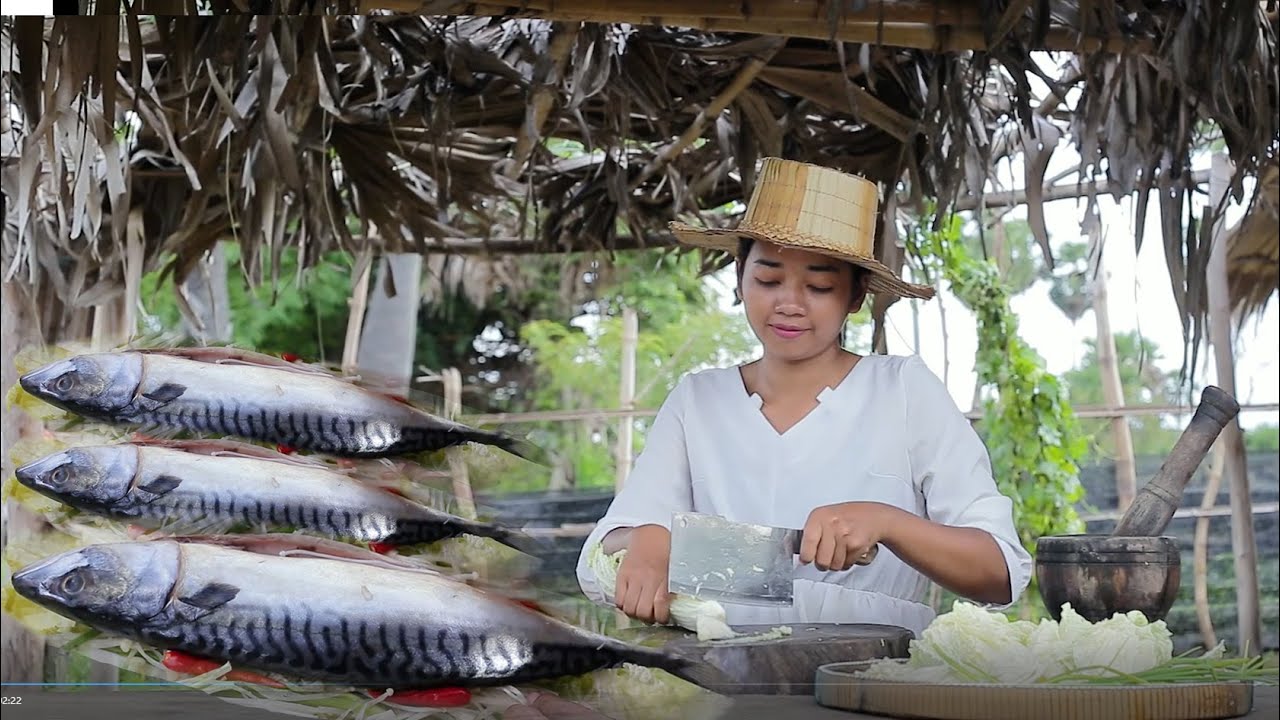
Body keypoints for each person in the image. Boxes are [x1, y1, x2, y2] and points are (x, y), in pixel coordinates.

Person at [574, 158, 1032, 639]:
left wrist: (887, 522)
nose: (789, 303)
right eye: (768, 280)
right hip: (715, 680)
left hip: (876, 677)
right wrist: (647, 539)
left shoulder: (902, 391)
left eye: (819, 286)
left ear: (856, 295)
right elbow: (603, 552)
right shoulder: (698, 400)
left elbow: (999, 572)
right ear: (739, 277)